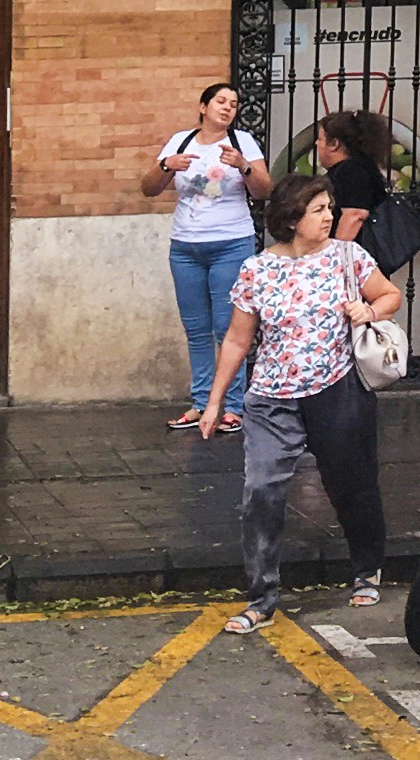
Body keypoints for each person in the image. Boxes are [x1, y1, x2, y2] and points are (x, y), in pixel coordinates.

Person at [200, 173, 401, 633]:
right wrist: (215, 402)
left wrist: (369, 311)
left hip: (337, 389)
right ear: (292, 219)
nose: (329, 216)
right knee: (261, 493)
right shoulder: (257, 270)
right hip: (271, 398)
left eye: (330, 207)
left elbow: (390, 295)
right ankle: (260, 599)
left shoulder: (349, 257)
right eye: (318, 210)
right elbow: (236, 339)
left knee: (351, 484)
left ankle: (366, 567)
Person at [144, 84, 271, 431]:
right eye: (221, 101)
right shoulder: (180, 141)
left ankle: (232, 407)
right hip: (185, 246)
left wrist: (244, 166)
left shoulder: (242, 142)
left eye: (234, 104)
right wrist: (165, 165)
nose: (228, 108)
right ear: (203, 106)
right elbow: (149, 188)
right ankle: (201, 403)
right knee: (196, 329)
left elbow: (265, 191)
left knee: (227, 328)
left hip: (231, 243)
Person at [315, 109, 392, 246]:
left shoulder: (351, 171)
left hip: (353, 257)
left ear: (334, 144)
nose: (316, 143)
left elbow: (355, 215)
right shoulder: (357, 167)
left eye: (320, 139)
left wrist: (336, 255)